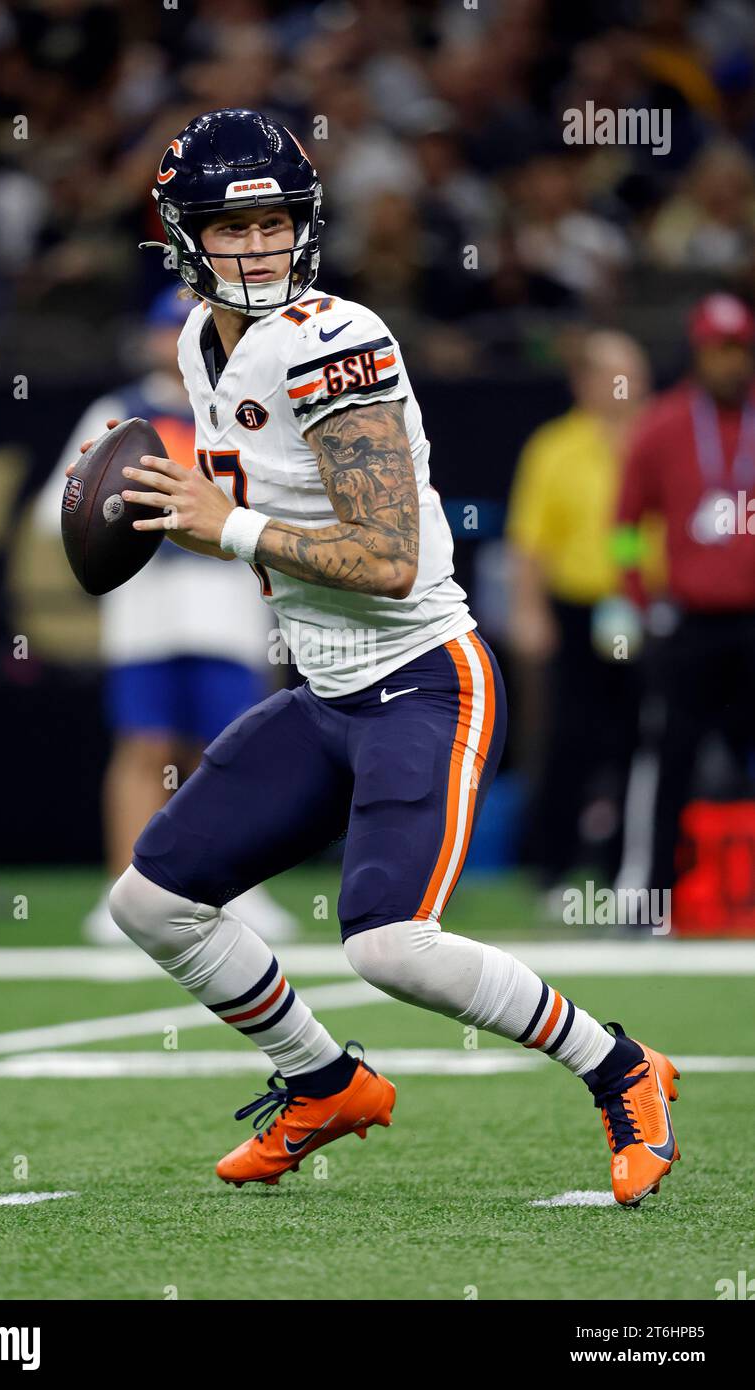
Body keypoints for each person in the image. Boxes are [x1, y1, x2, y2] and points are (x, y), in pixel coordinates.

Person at [91, 109, 680, 1207]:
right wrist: (172, 514)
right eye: (231, 226)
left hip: (419, 676)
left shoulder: (330, 338)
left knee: (391, 944)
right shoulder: (194, 340)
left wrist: (219, 524)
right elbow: (262, 515)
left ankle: (621, 1066)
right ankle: (321, 1080)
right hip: (323, 688)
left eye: (275, 221)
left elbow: (389, 557)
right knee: (152, 902)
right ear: (181, 236)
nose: (258, 245)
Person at [37, 288, 297, 943]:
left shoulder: (251, 414)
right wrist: (122, 512)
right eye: (169, 330)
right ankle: (123, 891)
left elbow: (286, 511)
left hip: (230, 610)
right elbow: (55, 512)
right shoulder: (118, 415)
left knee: (232, 751)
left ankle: (242, 892)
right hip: (144, 613)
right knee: (144, 747)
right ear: (152, 339)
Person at [616, 292, 755, 901]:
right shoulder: (665, 425)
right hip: (690, 625)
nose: (731, 362)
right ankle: (652, 897)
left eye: (740, 349)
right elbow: (623, 526)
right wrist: (639, 598)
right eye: (719, 350)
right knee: (670, 759)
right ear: (699, 353)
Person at [506, 331, 655, 898]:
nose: (631, 387)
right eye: (618, 374)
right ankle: (552, 869)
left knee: (640, 739)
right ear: (587, 381)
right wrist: (529, 609)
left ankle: (630, 872)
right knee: (571, 737)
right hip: (577, 608)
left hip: (648, 607)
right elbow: (529, 539)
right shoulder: (556, 446)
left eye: (636, 372)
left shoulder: (657, 436)